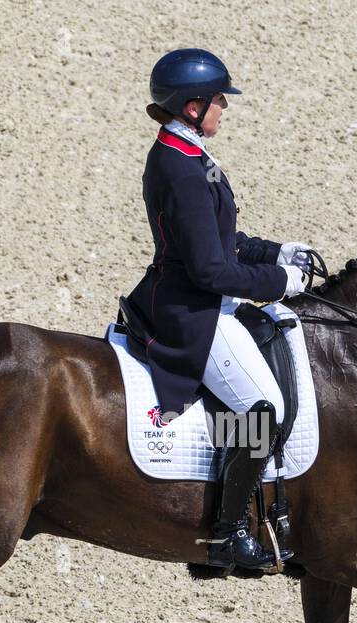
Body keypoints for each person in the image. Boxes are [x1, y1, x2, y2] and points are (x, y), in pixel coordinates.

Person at [126, 48, 312, 571]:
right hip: (193, 308)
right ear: (192, 106)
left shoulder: (184, 153)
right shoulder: (182, 168)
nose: (224, 110)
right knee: (261, 408)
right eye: (218, 102)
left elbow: (218, 239)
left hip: (192, 290)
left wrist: (273, 251)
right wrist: (280, 282)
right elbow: (210, 271)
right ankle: (226, 536)